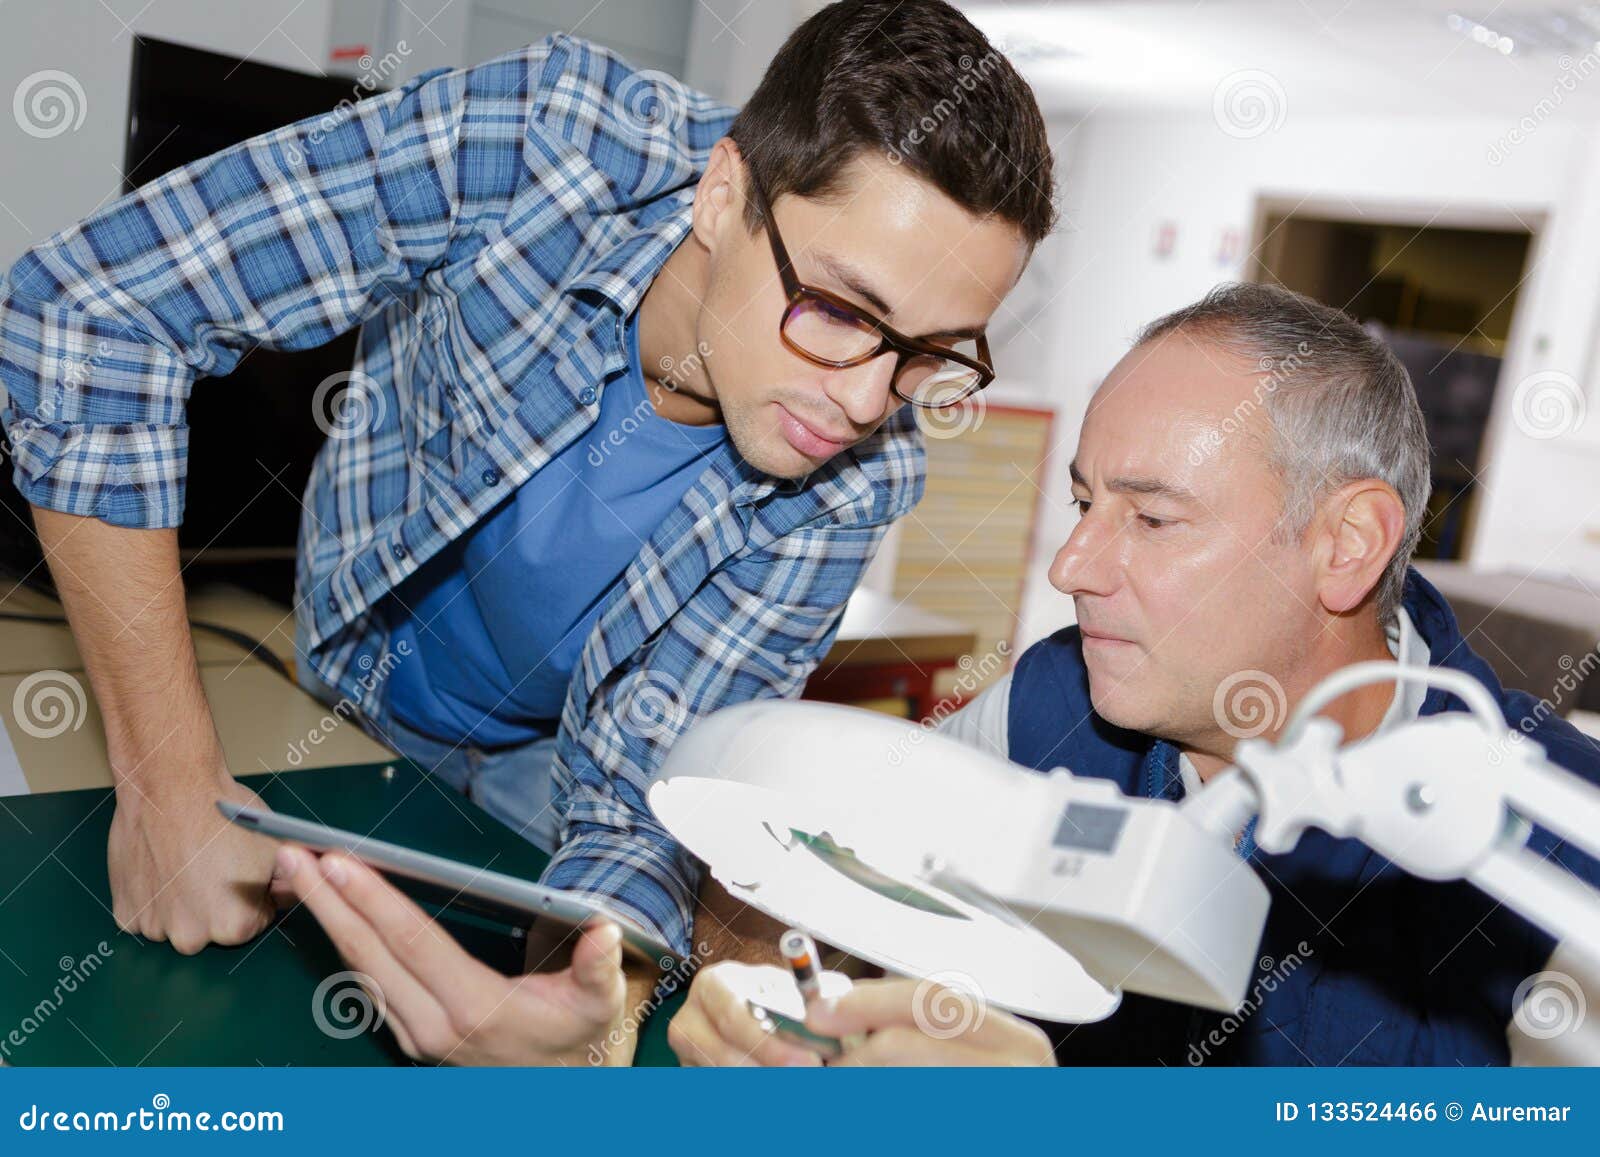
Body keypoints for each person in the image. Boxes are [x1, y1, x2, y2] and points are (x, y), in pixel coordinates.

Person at [0, 0, 1053, 1064]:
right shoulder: (545, 140)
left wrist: (589, 1005)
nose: (869, 402)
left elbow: (639, 796)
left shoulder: (864, 480)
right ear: (722, 192)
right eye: (837, 307)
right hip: (332, 679)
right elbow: (89, 312)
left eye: (930, 353)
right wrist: (165, 783)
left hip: (542, 770)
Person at [668, 281, 1600, 1066]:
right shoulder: (1052, 704)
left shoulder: (1550, 861)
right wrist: (780, 1004)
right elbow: (812, 872)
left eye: (1152, 520)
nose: (1070, 566)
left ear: (1347, 545)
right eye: (1082, 501)